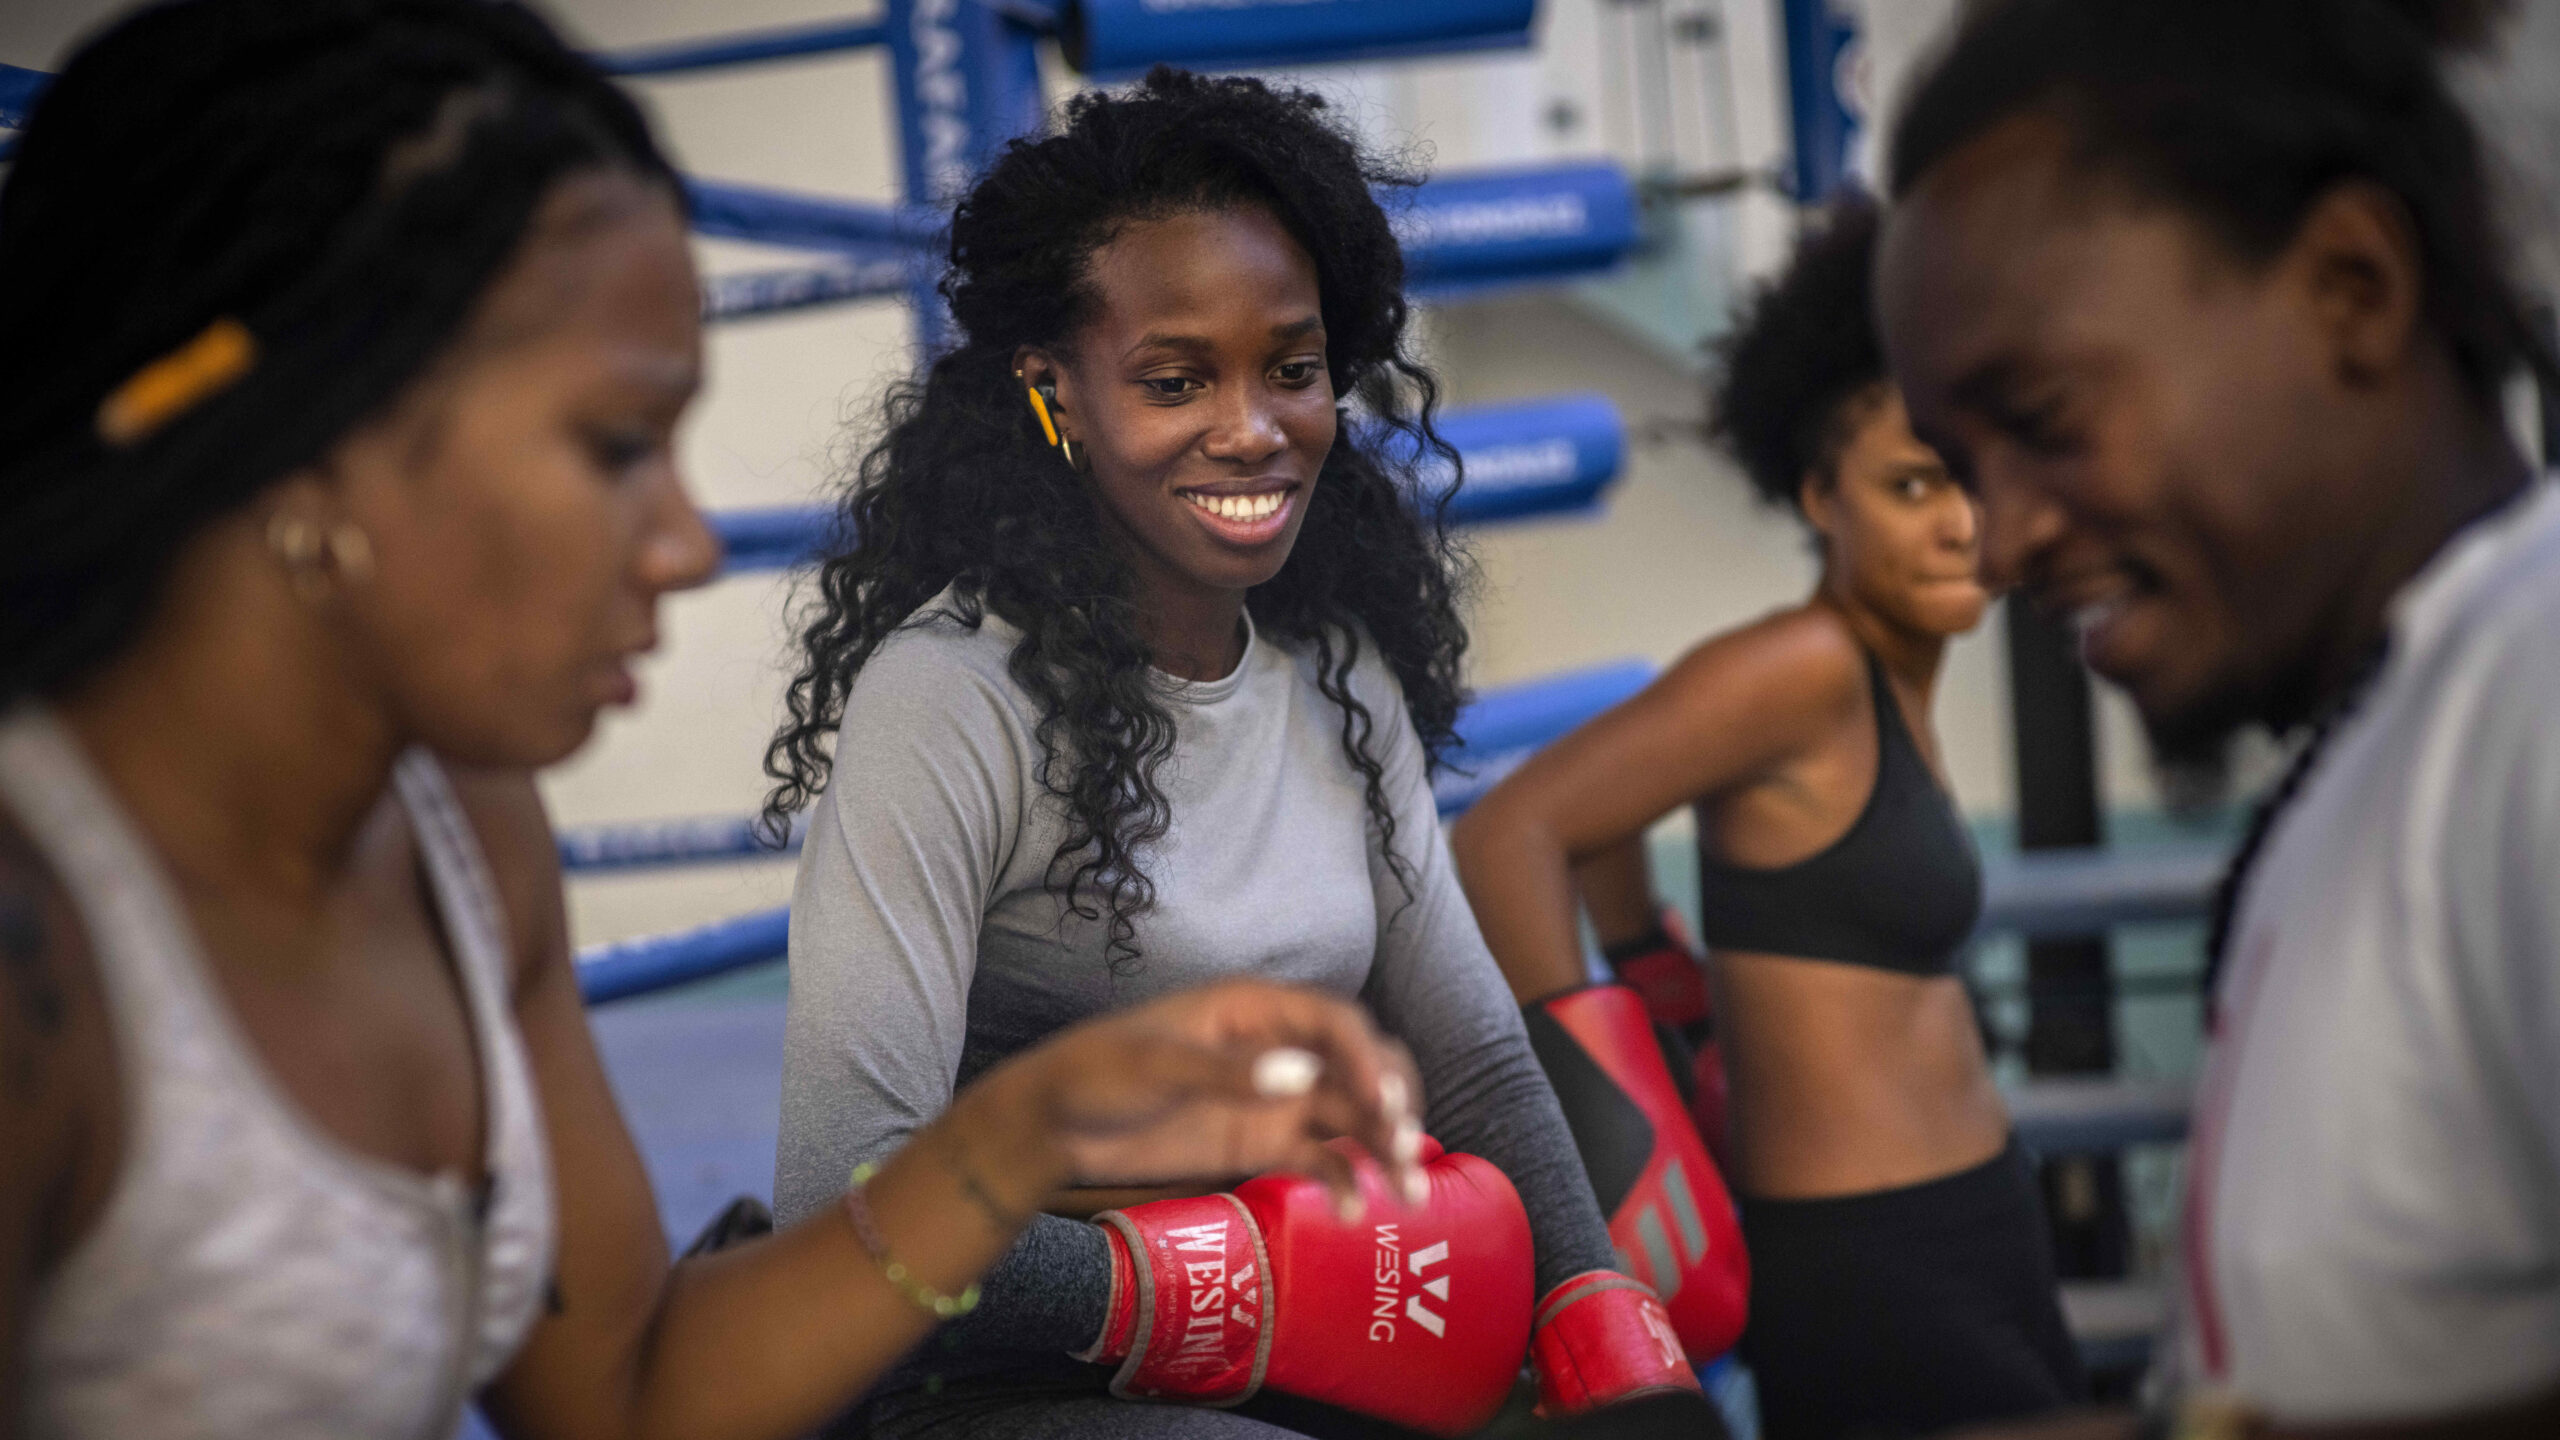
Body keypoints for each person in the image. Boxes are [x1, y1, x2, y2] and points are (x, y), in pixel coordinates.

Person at [0, 5, 1435, 1438]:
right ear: (305, 431)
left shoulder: (463, 847)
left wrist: (1030, 1128)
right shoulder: (38, 937)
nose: (688, 541)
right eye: (616, 446)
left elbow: (632, 1403)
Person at [762, 67, 1710, 1439]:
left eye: (1294, 366)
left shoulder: (1339, 675)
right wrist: (1186, 1286)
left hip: (1329, 1354)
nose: (1253, 427)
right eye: (1174, 377)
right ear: (1057, 398)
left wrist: (1603, 1322)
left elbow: (1485, 1065)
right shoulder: (951, 700)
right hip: (1001, 1388)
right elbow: (841, 1204)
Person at [1876, 0, 2560, 1436]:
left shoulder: (2532, 688)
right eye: (1957, 464)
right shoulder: (2394, 739)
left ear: (2353, 287)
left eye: (2046, 417)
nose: (1997, 544)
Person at [1449, 196, 2083, 1439]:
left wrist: (1654, 968)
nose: (1958, 521)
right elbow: (1513, 829)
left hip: (1975, 1217)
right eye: (1910, 484)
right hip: (1868, 1257)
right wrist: (1611, 1121)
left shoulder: (1893, 676)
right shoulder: (1800, 667)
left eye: (1974, 478)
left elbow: (1609, 817)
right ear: (1817, 497)